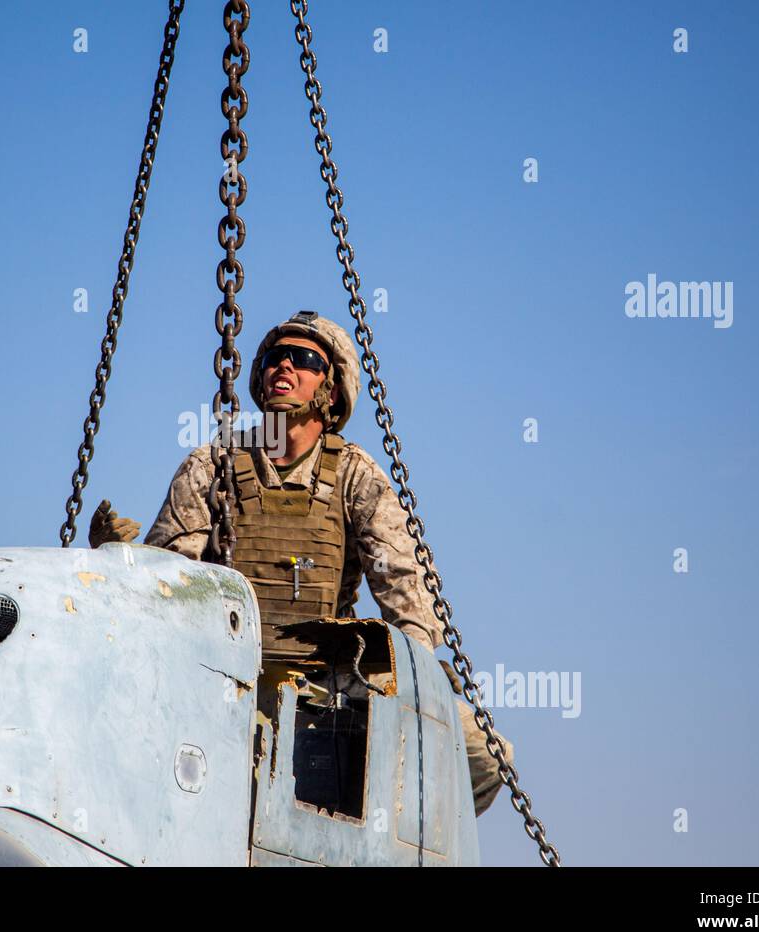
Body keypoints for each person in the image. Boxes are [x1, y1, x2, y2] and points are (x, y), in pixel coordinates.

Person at [88, 310, 512, 815]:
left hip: (324, 684)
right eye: (272, 357)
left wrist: (416, 678)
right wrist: (125, 565)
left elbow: (406, 591)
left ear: (330, 390)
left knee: (483, 753)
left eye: (303, 359)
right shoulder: (212, 465)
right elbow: (170, 587)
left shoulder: (356, 475)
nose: (282, 365)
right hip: (225, 677)